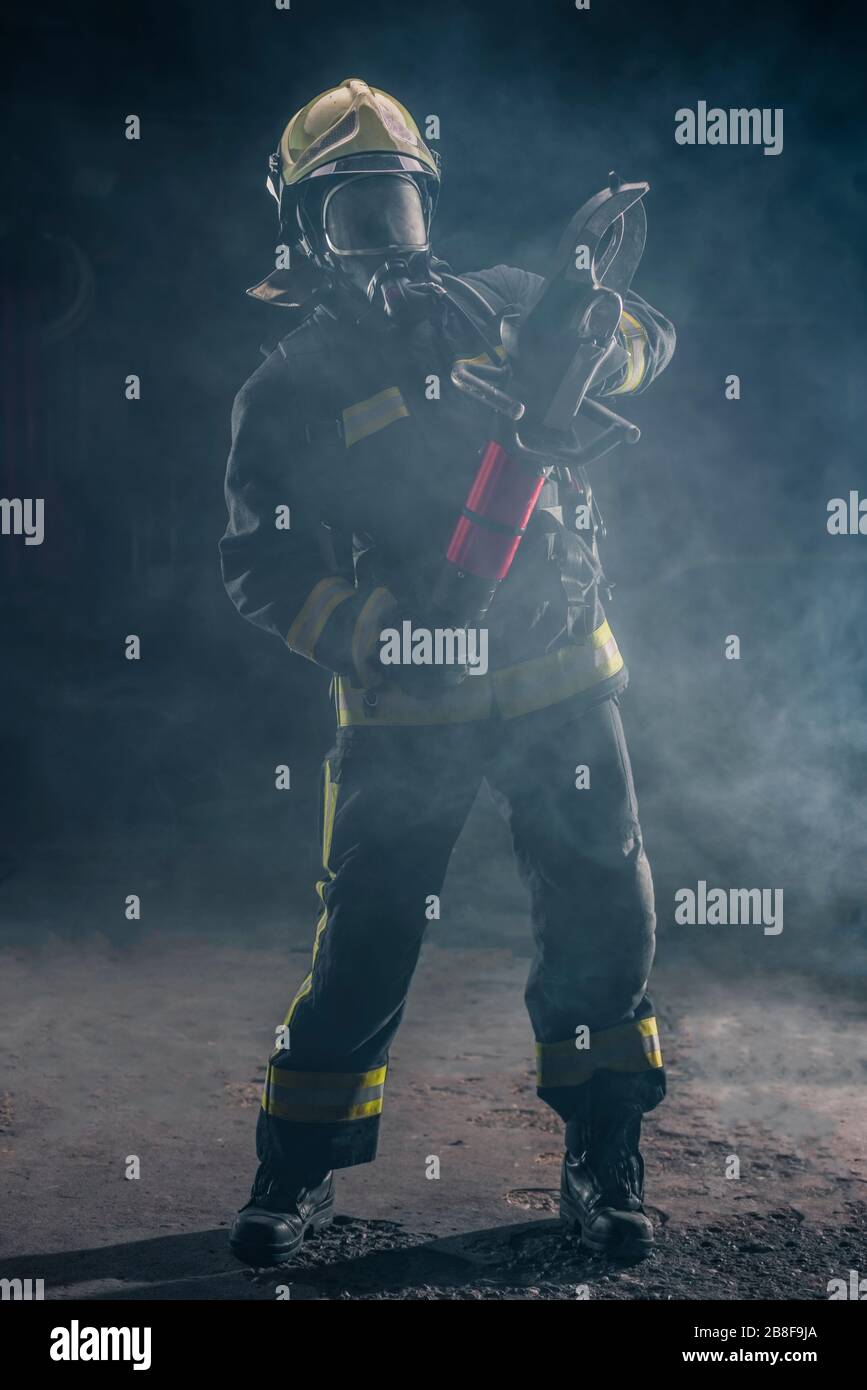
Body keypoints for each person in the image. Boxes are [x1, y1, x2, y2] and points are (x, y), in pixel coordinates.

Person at [220, 78, 675, 1266]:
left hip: (562, 685)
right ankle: (295, 1172)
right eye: (355, 218)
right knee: (366, 937)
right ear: (305, 234)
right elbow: (260, 561)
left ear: (431, 210)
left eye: (399, 211)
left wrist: (577, 335)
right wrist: (370, 627)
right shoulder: (288, 387)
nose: (385, 241)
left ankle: (603, 1157)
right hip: (405, 703)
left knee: (601, 924)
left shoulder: (510, 305)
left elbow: (645, 342)